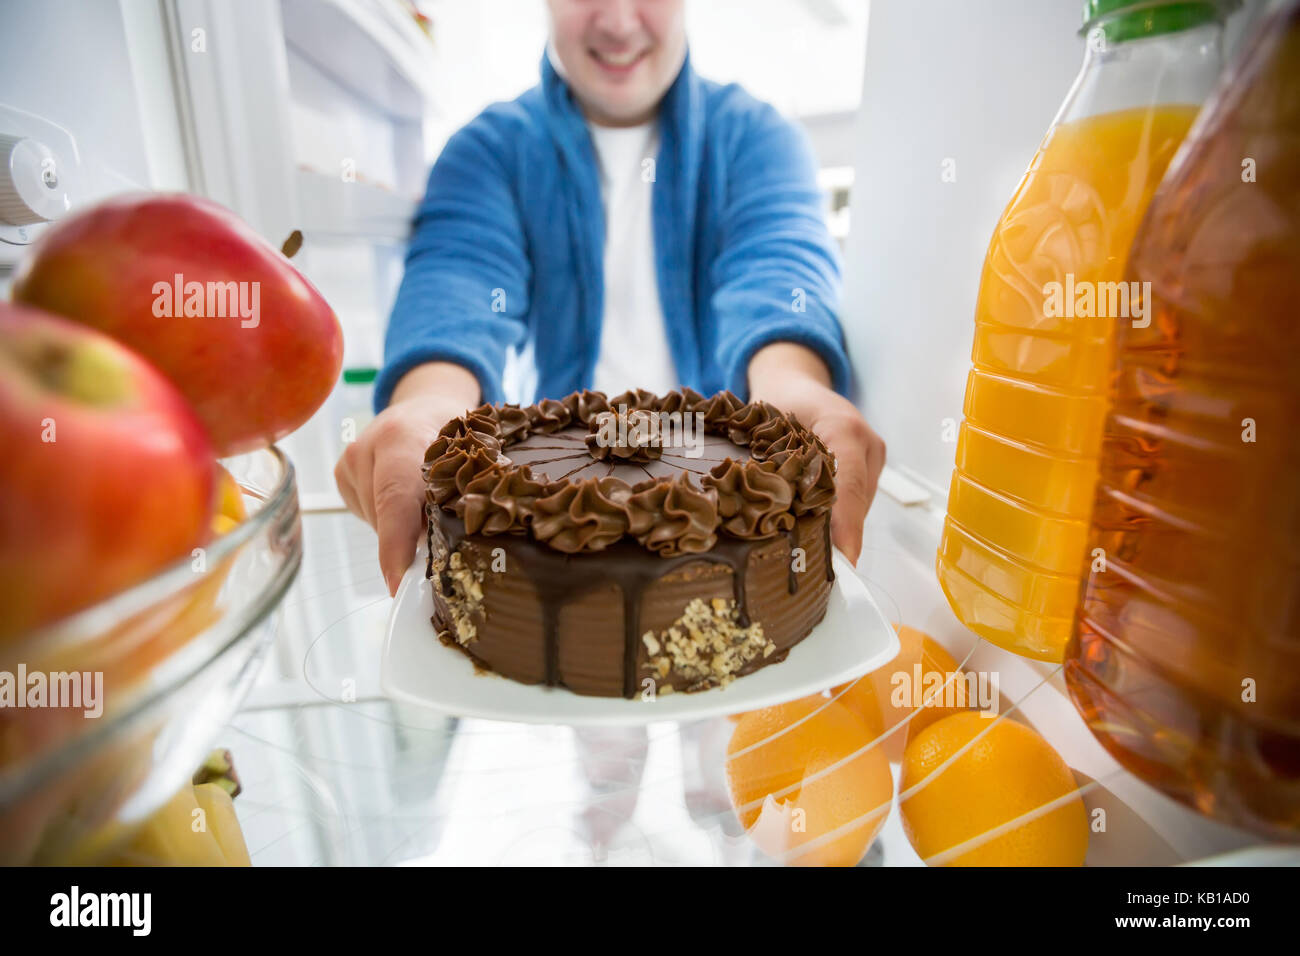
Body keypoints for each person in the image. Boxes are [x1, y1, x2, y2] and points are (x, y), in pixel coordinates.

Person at [335, 0, 886, 594]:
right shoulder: (488, 151)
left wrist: (793, 391)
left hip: (726, 549)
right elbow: (458, 285)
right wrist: (425, 409)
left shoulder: (758, 140)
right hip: (556, 544)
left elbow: (777, 274)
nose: (619, 21)